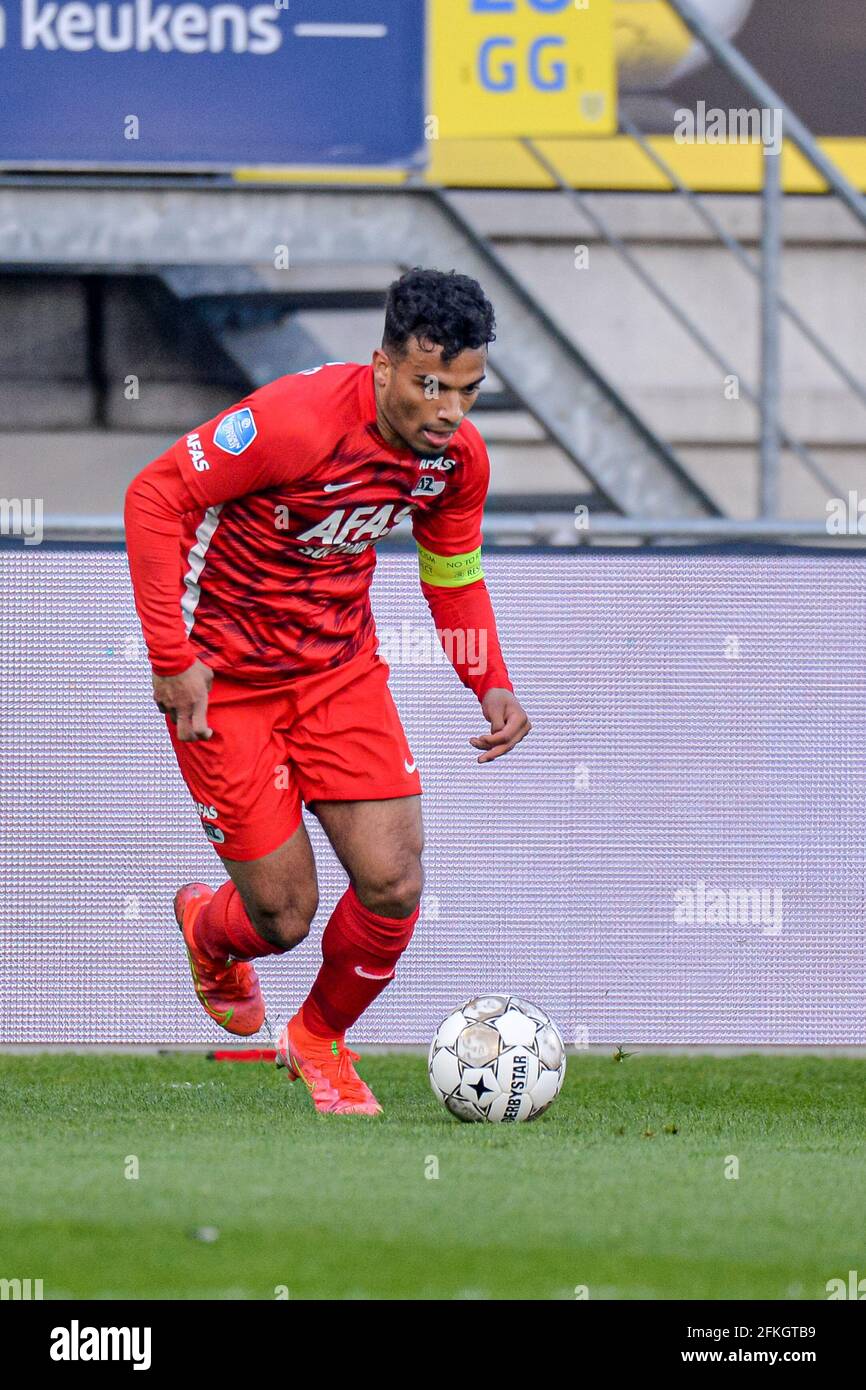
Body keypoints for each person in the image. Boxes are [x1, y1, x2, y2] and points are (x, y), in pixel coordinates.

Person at [124, 267, 531, 1115]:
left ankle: (317, 1040)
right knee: (283, 914)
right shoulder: (295, 421)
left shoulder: (454, 460)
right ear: (382, 367)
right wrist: (171, 656)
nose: (450, 410)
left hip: (338, 672)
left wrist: (488, 679)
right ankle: (209, 928)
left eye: (468, 390)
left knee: (394, 878)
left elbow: (452, 574)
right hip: (225, 683)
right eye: (429, 385)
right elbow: (156, 496)